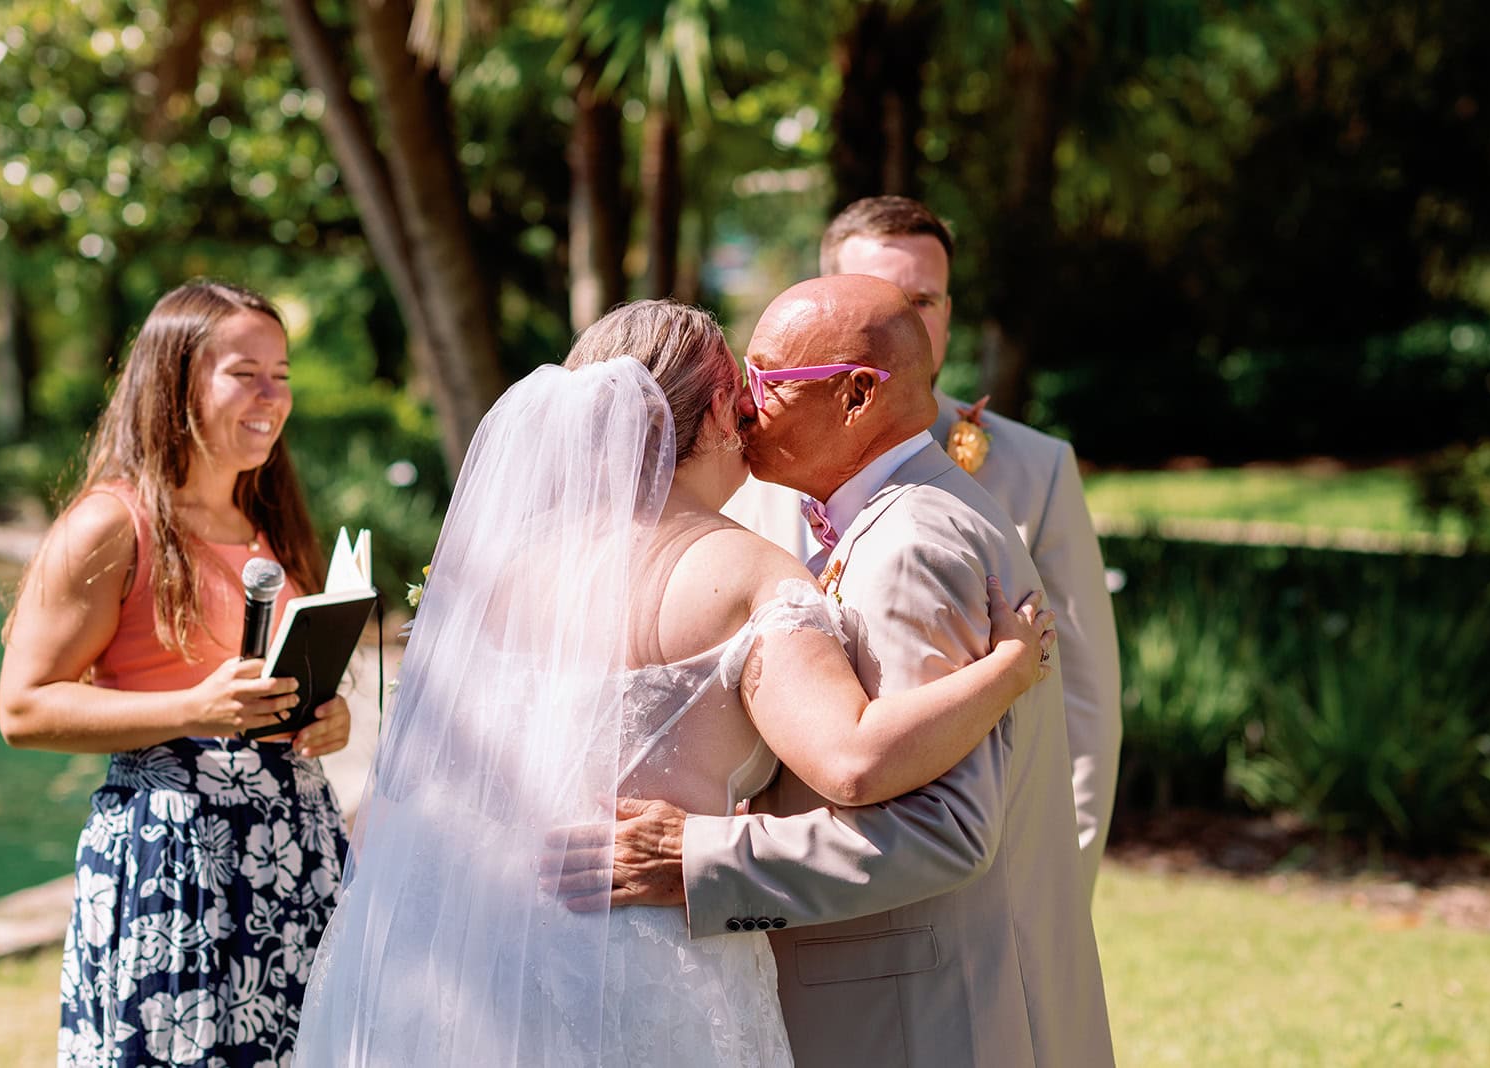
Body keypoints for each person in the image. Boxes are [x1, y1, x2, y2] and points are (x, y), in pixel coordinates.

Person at [293, 299, 1058, 1067]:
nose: (757, 414)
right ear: (722, 410)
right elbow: (853, 763)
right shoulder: (744, 571)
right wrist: (1006, 670)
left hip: (471, 968)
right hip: (646, 973)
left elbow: (404, 788)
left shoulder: (496, 569)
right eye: (748, 392)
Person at [587, 277, 1115, 1067]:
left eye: (765, 381)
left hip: (910, 1018)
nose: (743, 405)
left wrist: (698, 859)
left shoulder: (912, 550)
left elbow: (943, 831)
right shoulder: (897, 521)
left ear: (859, 396)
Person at [725, 195, 1122, 901]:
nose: (906, 315)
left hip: (954, 898)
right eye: (879, 294)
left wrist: (1061, 881)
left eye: (924, 299)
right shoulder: (744, 465)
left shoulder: (1036, 469)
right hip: (790, 891)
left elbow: (1083, 699)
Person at [0, 281, 352, 1067]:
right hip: (176, 863)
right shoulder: (109, 524)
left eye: (283, 374)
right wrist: (195, 707)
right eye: (245, 373)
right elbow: (21, 710)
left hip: (292, 857)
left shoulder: (270, 524)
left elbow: (268, 689)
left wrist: (328, 718)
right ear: (177, 380)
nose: (272, 397)